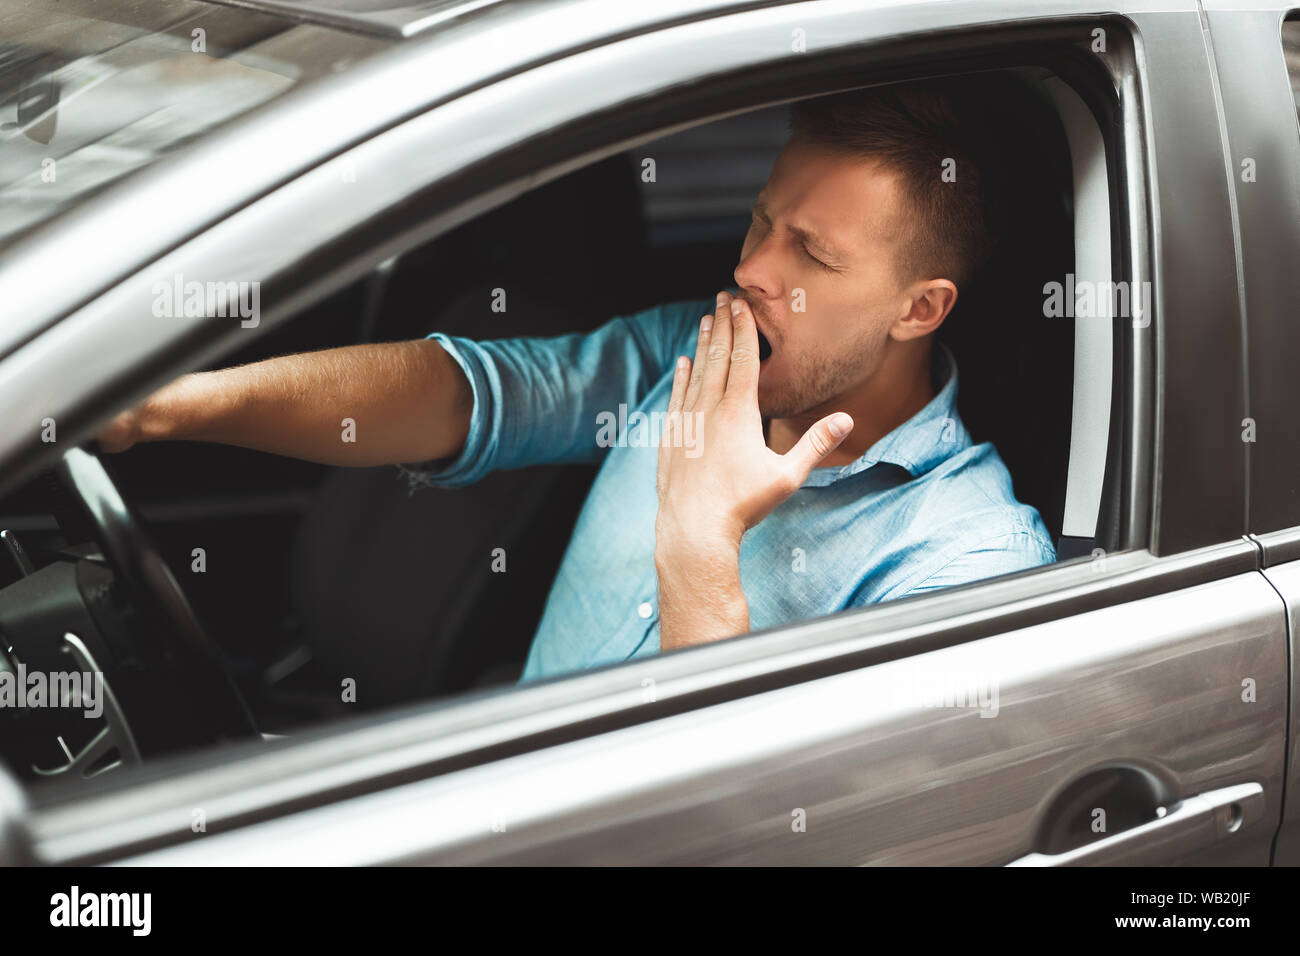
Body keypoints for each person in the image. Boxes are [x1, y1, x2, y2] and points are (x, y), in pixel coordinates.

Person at [98, 79, 1056, 683]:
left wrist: (698, 544)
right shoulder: (687, 353)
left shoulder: (965, 562)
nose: (751, 267)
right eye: (761, 221)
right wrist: (172, 405)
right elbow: (467, 392)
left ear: (919, 309)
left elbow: (753, 825)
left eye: (811, 252)